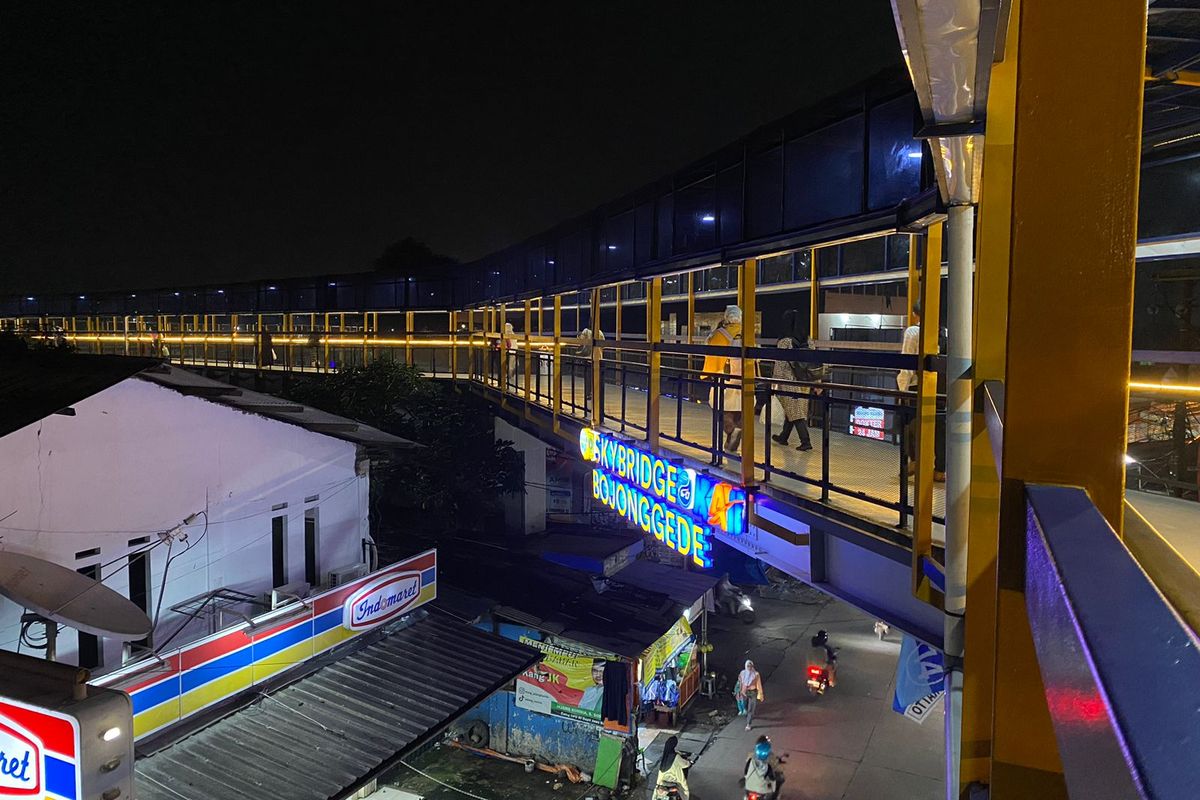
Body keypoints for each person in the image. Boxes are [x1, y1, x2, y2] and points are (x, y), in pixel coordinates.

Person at [897, 303, 945, 482]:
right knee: (939, 426)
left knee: (911, 425)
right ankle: (940, 469)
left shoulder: (913, 332)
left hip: (918, 386)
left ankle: (916, 461)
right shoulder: (943, 332)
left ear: (915, 314)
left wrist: (903, 389)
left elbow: (907, 362)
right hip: (940, 387)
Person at [702, 305, 744, 453]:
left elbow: (709, 350)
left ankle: (731, 432)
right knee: (740, 408)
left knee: (722, 407)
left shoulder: (720, 334)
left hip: (724, 375)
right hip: (744, 376)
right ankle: (733, 437)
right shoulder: (747, 333)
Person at [770, 337, 814, 452]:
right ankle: (783, 437)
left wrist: (774, 381)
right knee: (793, 410)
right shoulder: (809, 341)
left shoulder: (784, 342)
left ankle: (805, 441)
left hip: (788, 381)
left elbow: (780, 364)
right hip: (804, 381)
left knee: (795, 413)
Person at [742, 735, 784, 800]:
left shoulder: (751, 757)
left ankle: (746, 796)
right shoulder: (770, 760)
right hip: (762, 790)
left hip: (748, 786)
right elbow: (773, 777)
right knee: (780, 779)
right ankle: (775, 797)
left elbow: (745, 772)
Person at [655, 735, 692, 799]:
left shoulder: (665, 756)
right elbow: (685, 765)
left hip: (663, 778)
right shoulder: (676, 757)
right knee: (684, 789)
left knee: (656, 791)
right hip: (675, 778)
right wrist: (689, 763)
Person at [736, 659, 764, 731]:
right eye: (748, 666)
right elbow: (740, 683)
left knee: (751, 708)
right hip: (744, 692)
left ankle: (748, 724)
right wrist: (738, 691)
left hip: (752, 692)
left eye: (750, 666)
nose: (749, 667)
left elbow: (759, 685)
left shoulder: (756, 674)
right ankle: (748, 715)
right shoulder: (742, 673)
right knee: (744, 705)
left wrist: (760, 694)